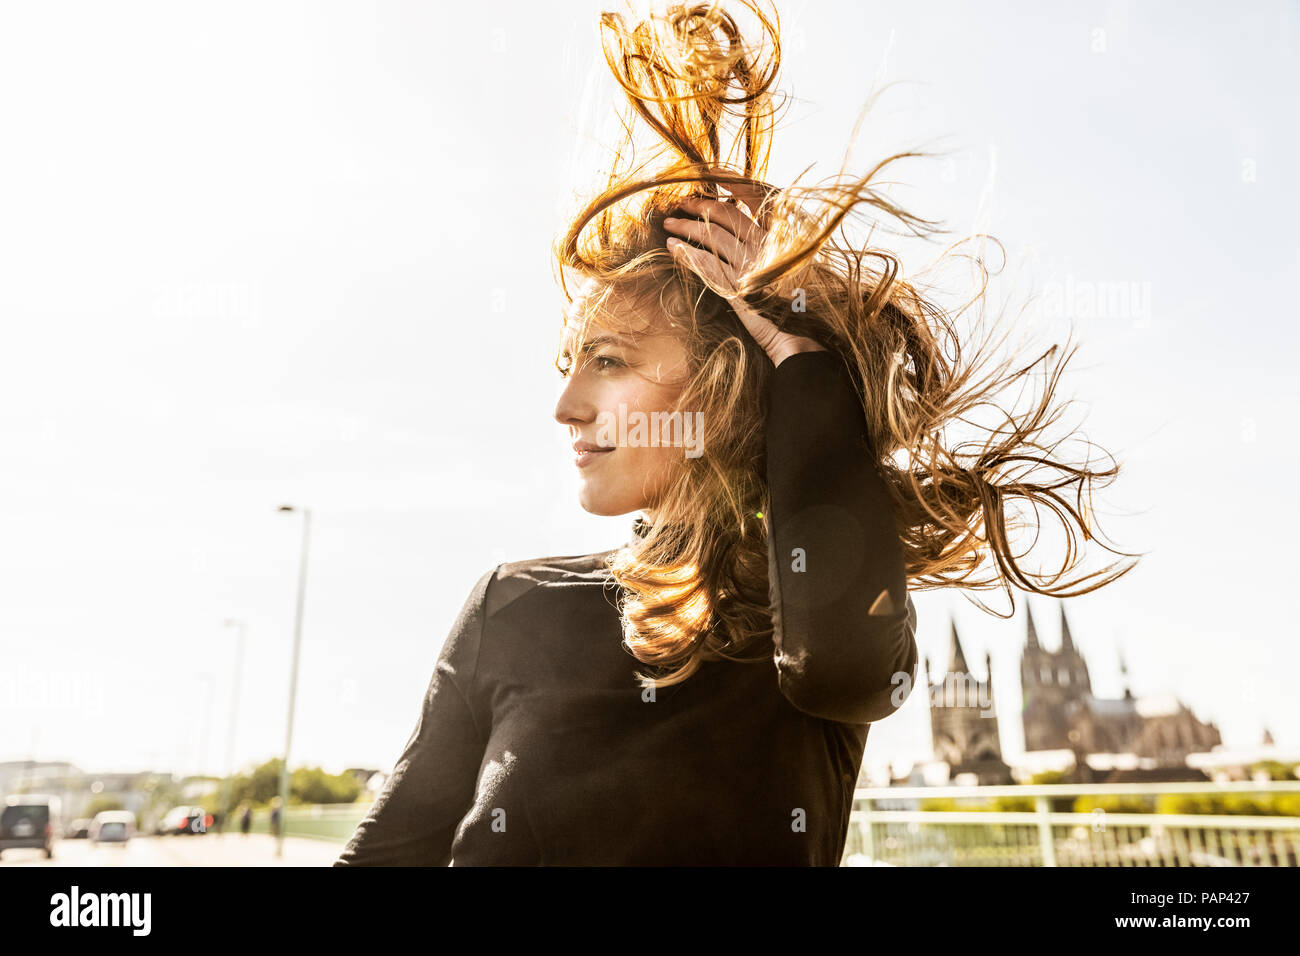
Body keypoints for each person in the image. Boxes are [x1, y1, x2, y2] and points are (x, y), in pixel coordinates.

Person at [334, 0, 1136, 867]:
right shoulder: (510, 605)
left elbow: (844, 664)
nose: (564, 406)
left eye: (608, 361)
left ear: (717, 395)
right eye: (568, 365)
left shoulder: (807, 624)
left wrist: (795, 350)